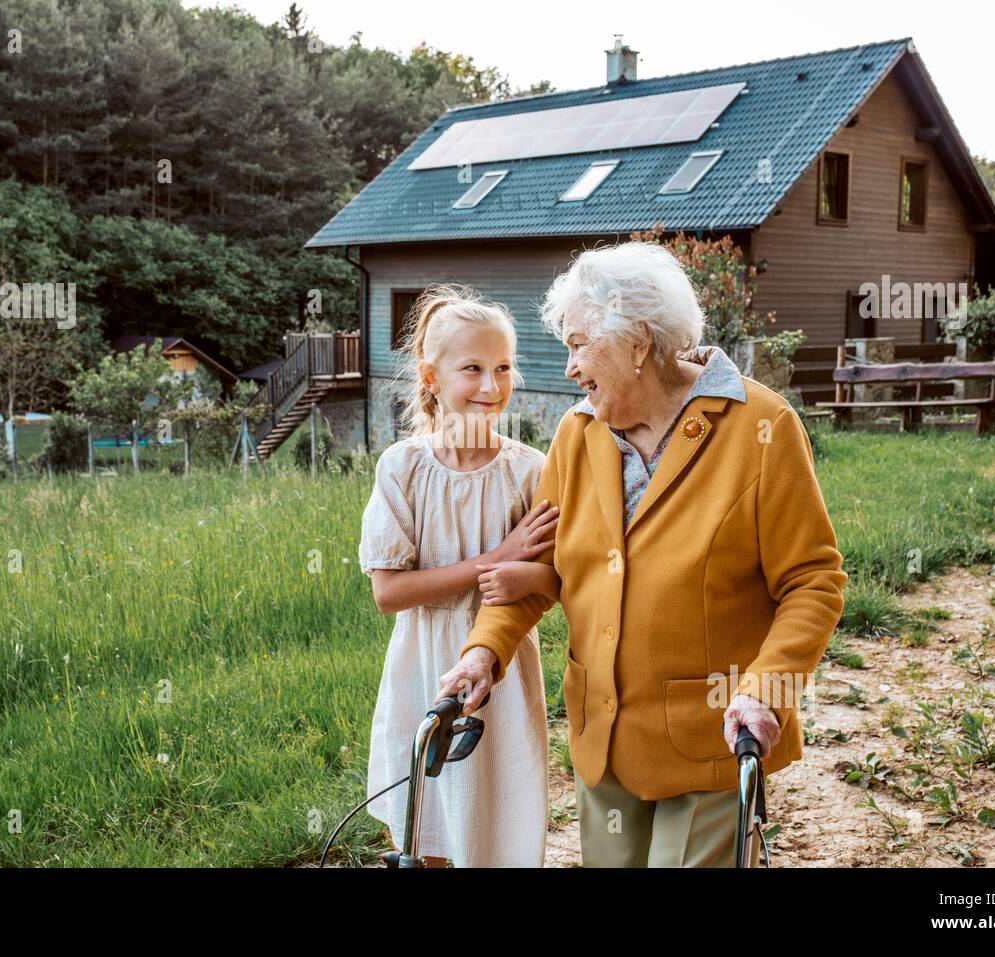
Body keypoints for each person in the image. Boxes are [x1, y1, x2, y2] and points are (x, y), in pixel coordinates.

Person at [437, 242, 848, 867]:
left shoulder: (760, 426)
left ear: (637, 342)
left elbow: (813, 581)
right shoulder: (578, 435)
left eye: (579, 344)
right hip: (603, 736)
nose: (570, 367)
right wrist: (482, 651)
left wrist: (768, 688)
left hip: (713, 733)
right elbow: (543, 573)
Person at [358, 284, 558, 867]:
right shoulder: (403, 468)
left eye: (502, 368)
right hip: (424, 666)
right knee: (429, 827)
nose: (492, 386)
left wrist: (523, 572)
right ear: (431, 376)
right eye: (472, 368)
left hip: (504, 671)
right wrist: (494, 559)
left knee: (499, 828)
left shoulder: (530, 471)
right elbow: (389, 592)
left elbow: (554, 584)